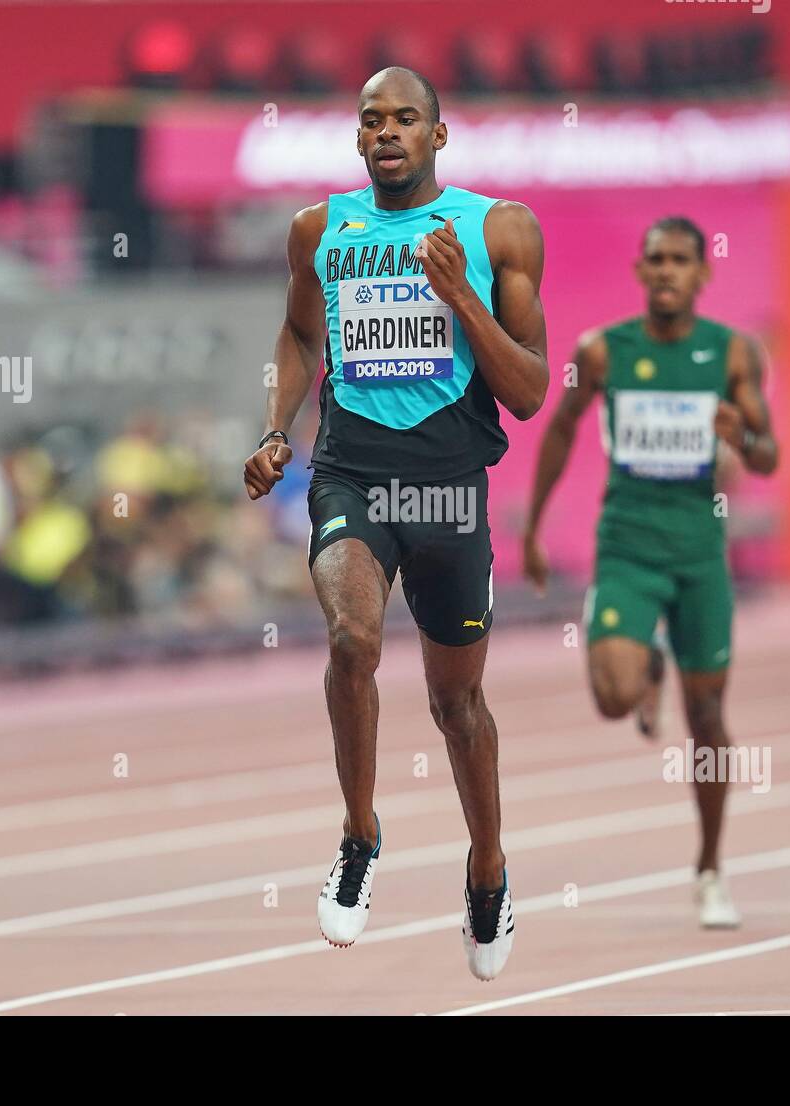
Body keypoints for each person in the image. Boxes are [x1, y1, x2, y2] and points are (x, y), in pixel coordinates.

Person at [243, 67, 548, 979]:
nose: (385, 133)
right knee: (351, 639)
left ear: (438, 136)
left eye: (404, 119)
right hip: (352, 479)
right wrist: (274, 429)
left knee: (457, 705)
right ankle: (360, 835)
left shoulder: (499, 230)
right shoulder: (319, 229)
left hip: (450, 492)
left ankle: (487, 870)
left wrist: (461, 297)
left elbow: (530, 390)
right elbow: (300, 336)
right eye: (370, 120)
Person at [523, 216, 779, 928]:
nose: (666, 271)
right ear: (640, 272)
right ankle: (646, 665)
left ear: (703, 275)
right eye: (655, 260)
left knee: (708, 718)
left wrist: (744, 438)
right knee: (611, 697)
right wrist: (537, 526)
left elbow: (768, 457)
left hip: (699, 555)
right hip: (628, 549)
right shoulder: (604, 352)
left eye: (680, 262)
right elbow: (564, 424)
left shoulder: (732, 355)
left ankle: (709, 867)